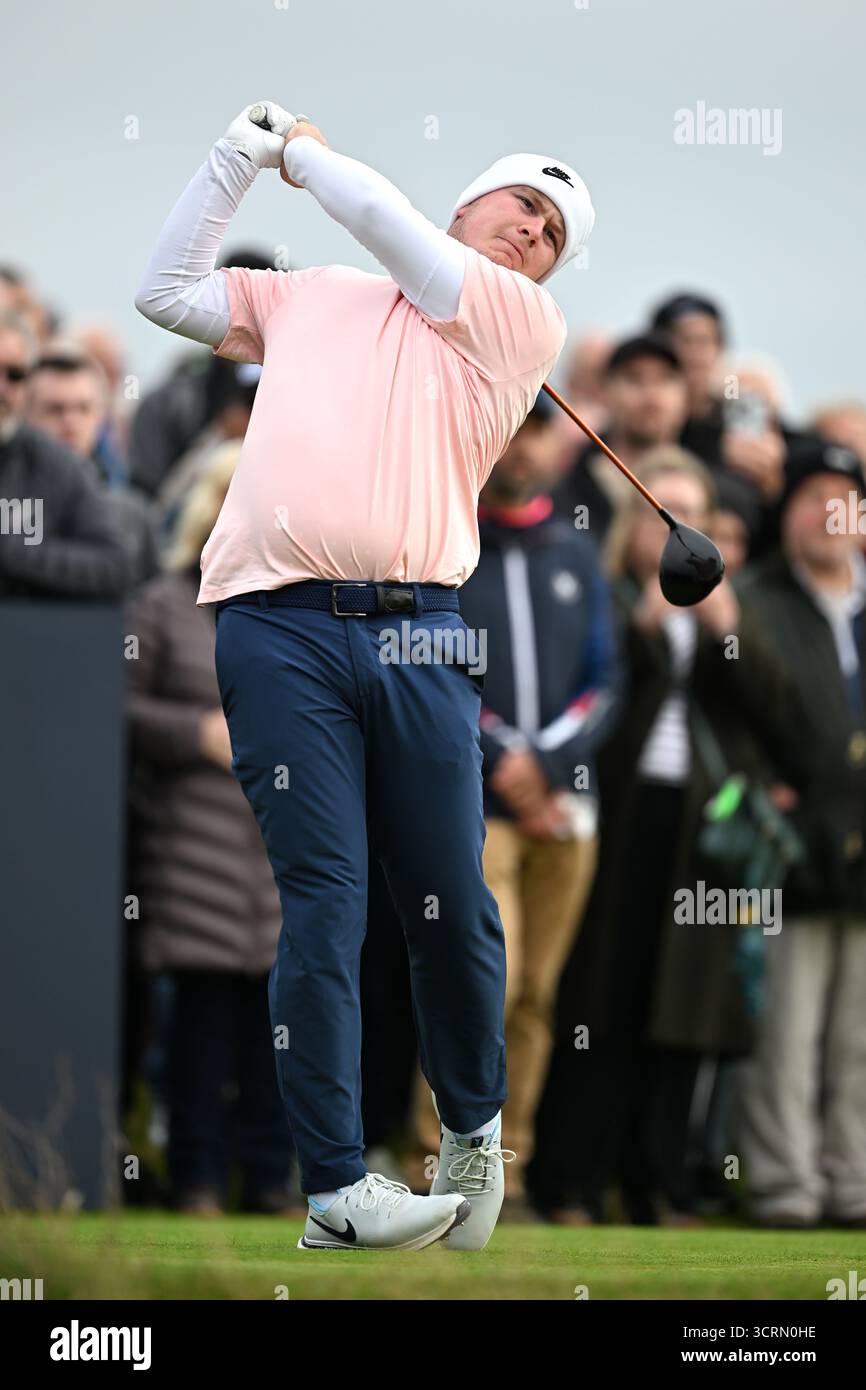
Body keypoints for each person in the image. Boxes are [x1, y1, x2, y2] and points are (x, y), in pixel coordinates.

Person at [135, 99, 595, 1251]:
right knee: (325, 905)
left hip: (422, 630)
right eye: (521, 206)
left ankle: (470, 1128)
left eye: (553, 231)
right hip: (273, 625)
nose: (533, 234)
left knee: (447, 899)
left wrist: (302, 153)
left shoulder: (514, 318)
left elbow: (381, 217)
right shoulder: (315, 297)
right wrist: (234, 155)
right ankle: (336, 1186)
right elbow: (166, 290)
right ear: (470, 204)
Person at [531, 448, 802, 1225]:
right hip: (618, 818)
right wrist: (648, 623)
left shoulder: (736, 607)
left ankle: (658, 1184)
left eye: (691, 513)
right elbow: (596, 700)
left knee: (680, 1006)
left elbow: (780, 712)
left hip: (701, 833)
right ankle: (572, 1181)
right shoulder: (606, 597)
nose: (674, 526)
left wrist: (728, 626)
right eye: (662, 512)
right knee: (599, 999)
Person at [406, 390, 622, 1211]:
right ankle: (438, 1158)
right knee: (479, 984)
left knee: (535, 992)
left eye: (535, 432)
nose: (521, 449)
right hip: (478, 801)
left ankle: (509, 1172)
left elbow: (607, 681)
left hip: (566, 809)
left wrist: (549, 760)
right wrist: (509, 759)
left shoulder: (575, 553)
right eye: (509, 432)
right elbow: (429, 656)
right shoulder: (444, 542)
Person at [125, 442, 298, 1216]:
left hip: (280, 848)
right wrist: (194, 732)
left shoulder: (306, 609)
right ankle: (194, 1178)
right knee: (197, 1028)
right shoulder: (164, 603)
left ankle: (269, 1180)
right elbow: (113, 705)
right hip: (191, 843)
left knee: (282, 1031)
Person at [734, 440, 866, 1227]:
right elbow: (729, 714)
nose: (825, 511)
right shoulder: (753, 599)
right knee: (783, 1033)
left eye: (841, 496)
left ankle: (854, 1183)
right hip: (787, 850)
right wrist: (757, 794)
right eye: (808, 495)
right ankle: (785, 1186)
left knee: (859, 1040)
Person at [0, 309, 135, 600]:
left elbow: (114, 565)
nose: (3, 387)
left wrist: (12, 552)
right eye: (55, 409)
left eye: (14, 374)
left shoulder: (56, 464)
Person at [25, 351, 159, 591]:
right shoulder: (12, 506)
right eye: (55, 410)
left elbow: (154, 602)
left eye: (83, 409)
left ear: (101, 416)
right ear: (27, 415)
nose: (71, 422)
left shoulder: (133, 515)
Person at [551, 333, 688, 541]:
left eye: (665, 378)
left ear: (684, 393)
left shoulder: (716, 490)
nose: (651, 395)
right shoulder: (565, 497)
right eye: (634, 378)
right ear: (605, 391)